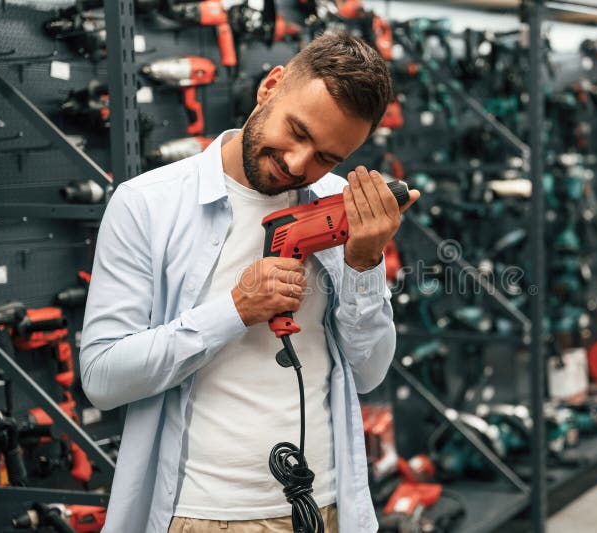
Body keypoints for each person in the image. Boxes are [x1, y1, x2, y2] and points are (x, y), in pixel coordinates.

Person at [80, 31, 419, 533]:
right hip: (202, 515)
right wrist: (234, 310)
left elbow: (368, 373)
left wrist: (366, 263)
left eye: (326, 157)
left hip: (324, 506)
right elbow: (103, 378)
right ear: (270, 86)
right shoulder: (146, 205)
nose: (299, 164)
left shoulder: (341, 208)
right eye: (297, 131)